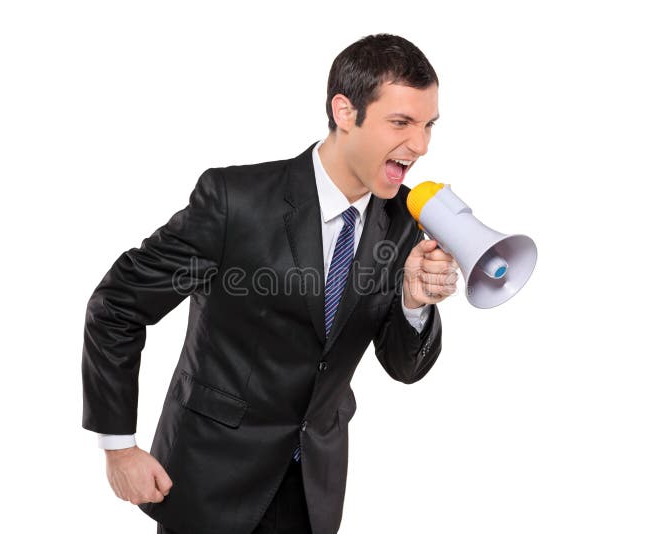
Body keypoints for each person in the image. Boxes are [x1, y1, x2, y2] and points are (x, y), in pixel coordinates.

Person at [82, 33, 458, 534]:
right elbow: (117, 306)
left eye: (429, 125)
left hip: (313, 492)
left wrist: (414, 302)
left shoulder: (403, 222)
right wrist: (118, 447)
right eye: (401, 123)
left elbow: (404, 367)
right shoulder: (235, 200)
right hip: (209, 484)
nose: (421, 145)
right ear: (345, 112)